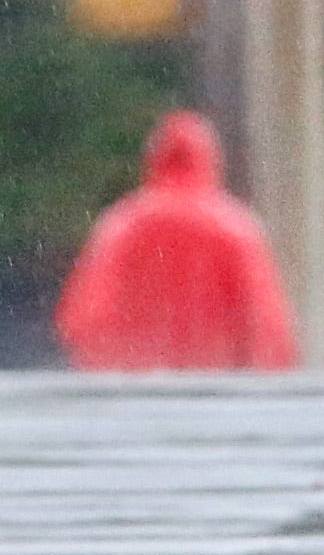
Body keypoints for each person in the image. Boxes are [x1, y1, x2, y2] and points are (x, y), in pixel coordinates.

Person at [54, 110, 300, 372]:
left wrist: (123, 367)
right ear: (212, 160)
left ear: (154, 159)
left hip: (132, 399)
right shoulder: (237, 230)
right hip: (217, 397)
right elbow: (272, 333)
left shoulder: (120, 225)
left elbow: (80, 322)